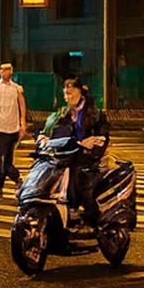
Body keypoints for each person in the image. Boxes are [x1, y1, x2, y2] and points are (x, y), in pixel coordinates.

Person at [39, 78, 110, 252]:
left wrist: (90, 145)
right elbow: (46, 130)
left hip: (88, 161)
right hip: (65, 158)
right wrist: (42, 138)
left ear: (80, 92)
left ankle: (96, 221)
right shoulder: (61, 114)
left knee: (77, 182)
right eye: (65, 91)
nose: (67, 94)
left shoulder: (95, 115)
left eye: (70, 91)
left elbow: (102, 139)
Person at [0, 63, 29, 201]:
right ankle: (4, 187)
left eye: (9, 69)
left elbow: (22, 106)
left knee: (7, 161)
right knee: (2, 162)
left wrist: (23, 123)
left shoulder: (17, 88)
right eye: (4, 69)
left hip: (13, 129)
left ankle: (9, 185)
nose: (6, 72)